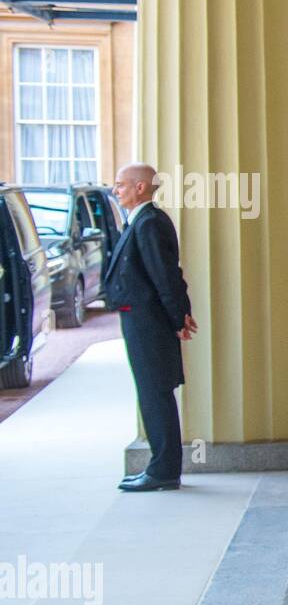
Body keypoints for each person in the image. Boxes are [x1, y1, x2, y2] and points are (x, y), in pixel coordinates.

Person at [104, 163, 198, 492]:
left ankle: (163, 471)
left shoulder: (149, 222)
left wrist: (178, 317)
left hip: (148, 321)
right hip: (142, 319)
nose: (116, 191)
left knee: (155, 392)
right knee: (152, 392)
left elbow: (165, 275)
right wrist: (180, 314)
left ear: (140, 187)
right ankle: (161, 467)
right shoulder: (142, 221)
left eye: (121, 185)